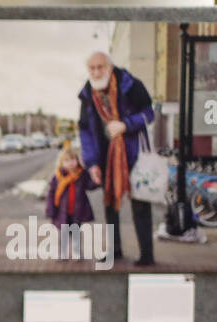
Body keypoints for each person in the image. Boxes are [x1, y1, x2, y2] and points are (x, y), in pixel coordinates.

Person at [78, 51, 155, 266]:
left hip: (134, 154)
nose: (96, 72)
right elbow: (84, 130)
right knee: (110, 204)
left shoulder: (130, 85)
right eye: (92, 68)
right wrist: (91, 162)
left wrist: (125, 125)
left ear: (110, 67)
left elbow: (149, 113)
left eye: (100, 67)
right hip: (105, 158)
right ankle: (115, 250)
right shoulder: (86, 95)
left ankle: (147, 254)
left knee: (140, 203)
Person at [45, 146, 98, 260]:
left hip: (77, 211)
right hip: (62, 211)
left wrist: (97, 180)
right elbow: (51, 193)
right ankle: (63, 252)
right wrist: (50, 209)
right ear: (61, 163)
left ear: (77, 160)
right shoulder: (58, 177)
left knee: (76, 233)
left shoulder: (82, 174)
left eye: (73, 159)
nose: (71, 163)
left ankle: (77, 252)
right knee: (63, 233)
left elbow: (90, 185)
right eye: (67, 161)